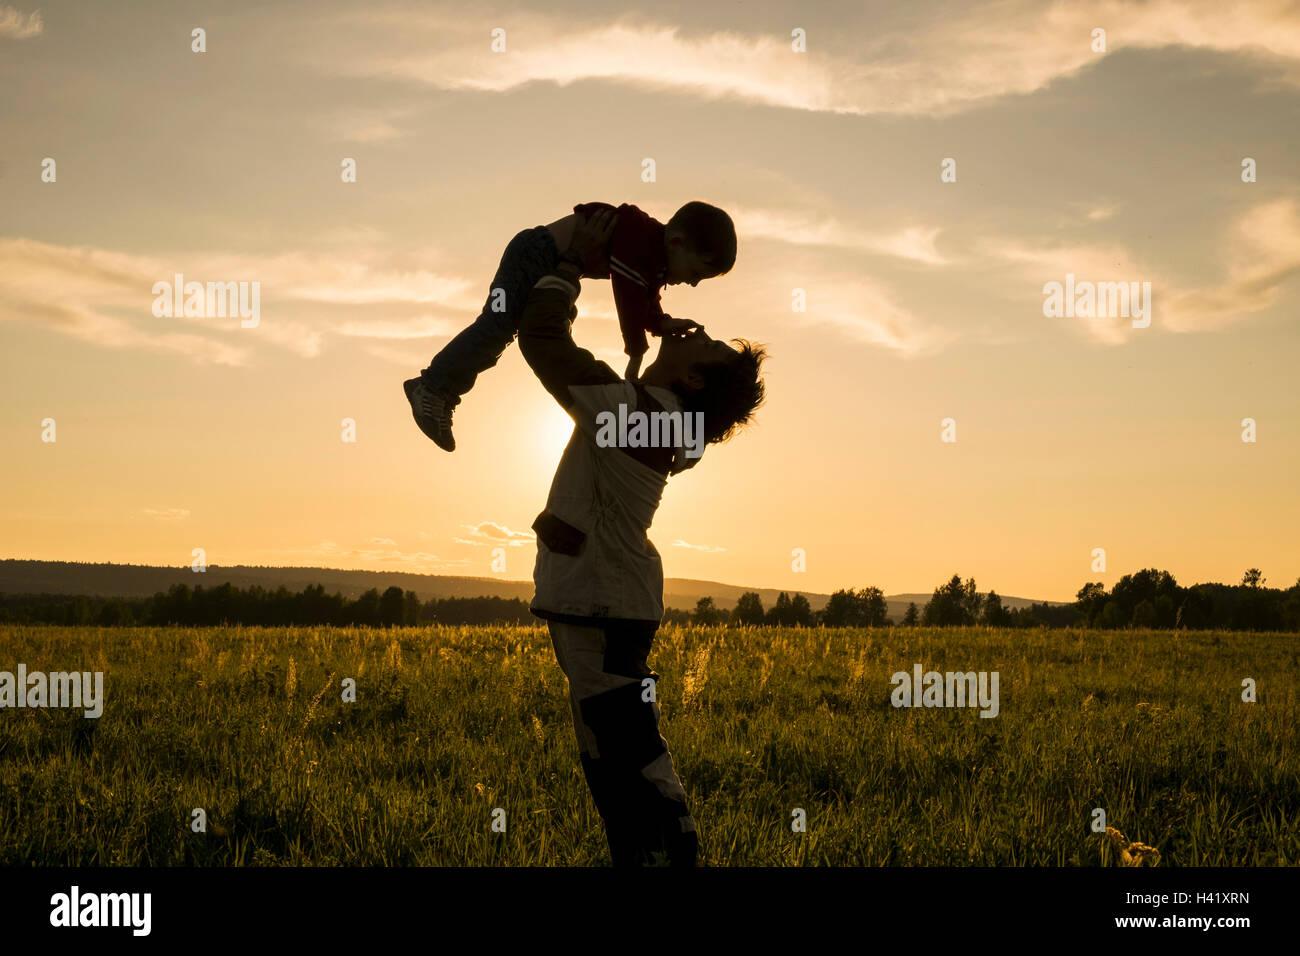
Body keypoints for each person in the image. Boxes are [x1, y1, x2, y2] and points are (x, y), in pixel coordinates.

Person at [515, 206, 766, 866]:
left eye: (705, 344)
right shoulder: (657, 419)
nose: (699, 329)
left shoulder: (636, 419)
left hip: (603, 605)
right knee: (612, 755)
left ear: (690, 379)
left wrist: (565, 266)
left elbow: (544, 345)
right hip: (606, 603)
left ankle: (672, 859)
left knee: (628, 752)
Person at [404, 200, 736, 451]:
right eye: (696, 274)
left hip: (549, 262)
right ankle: (433, 386)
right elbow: (629, 297)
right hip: (536, 254)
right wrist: (636, 351)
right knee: (496, 328)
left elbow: (643, 298)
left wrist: (660, 322)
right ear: (677, 242)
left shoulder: (652, 262)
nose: (692, 284)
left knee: (502, 333)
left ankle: (440, 389)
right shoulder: (642, 244)